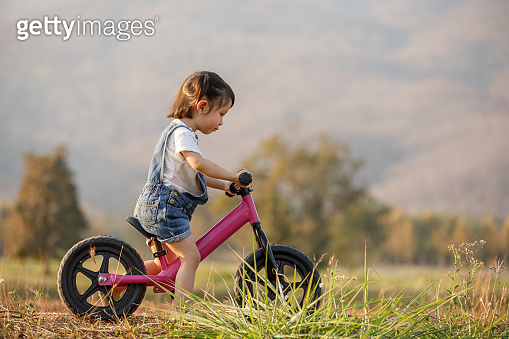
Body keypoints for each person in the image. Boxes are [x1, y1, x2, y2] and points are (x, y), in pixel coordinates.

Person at [122, 71, 250, 305]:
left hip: (162, 208)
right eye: (221, 114)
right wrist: (235, 176)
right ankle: (183, 315)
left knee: (168, 265)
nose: (222, 121)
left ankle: (122, 280)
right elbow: (200, 164)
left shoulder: (183, 134)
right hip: (164, 209)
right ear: (202, 106)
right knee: (191, 257)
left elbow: (197, 174)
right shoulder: (182, 133)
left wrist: (227, 185)